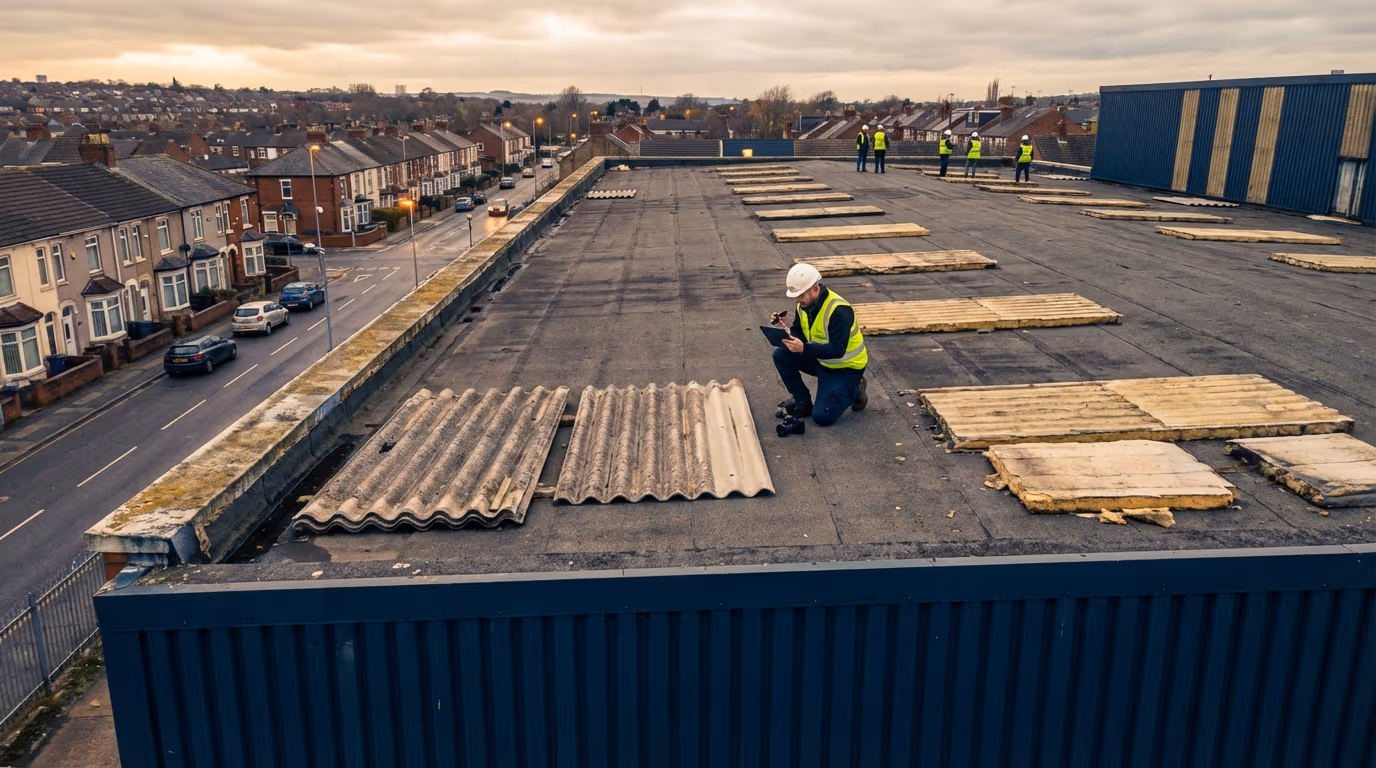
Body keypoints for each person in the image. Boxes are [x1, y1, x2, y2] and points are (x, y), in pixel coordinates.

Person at [771, 263, 869, 427]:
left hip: (845, 368)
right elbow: (800, 331)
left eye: (801, 295)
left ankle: (856, 387)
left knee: (823, 417)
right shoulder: (804, 304)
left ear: (814, 288)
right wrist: (786, 333)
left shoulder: (839, 310)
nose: (797, 299)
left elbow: (837, 350)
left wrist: (804, 348)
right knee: (781, 354)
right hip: (821, 360)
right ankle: (803, 404)